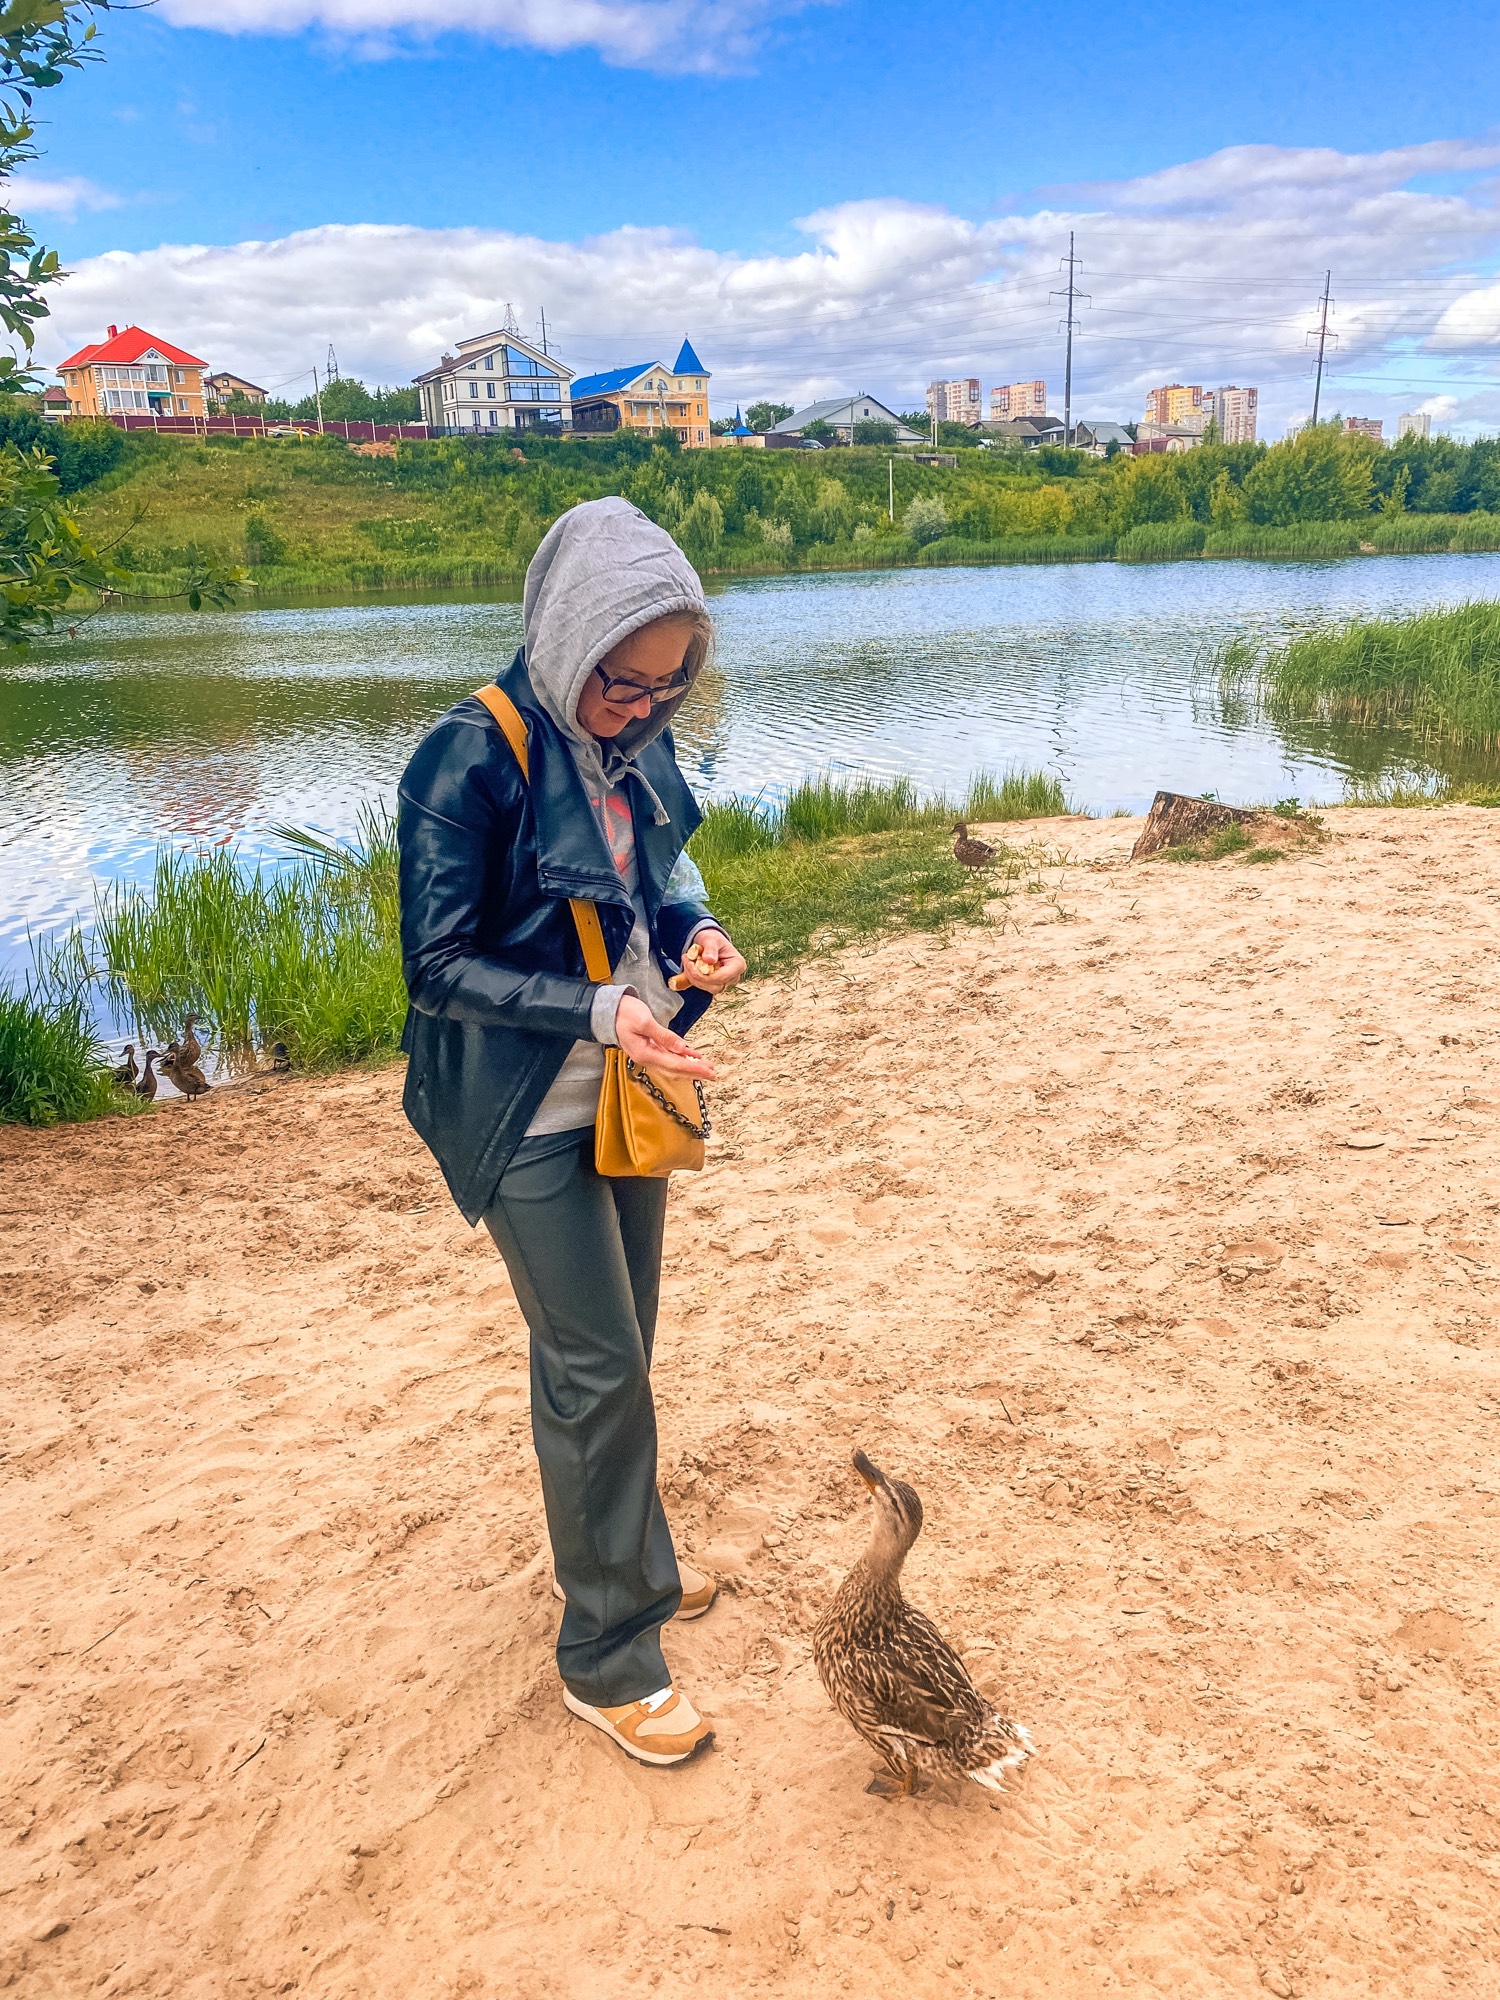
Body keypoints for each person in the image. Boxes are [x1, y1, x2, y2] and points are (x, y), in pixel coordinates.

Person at [397, 497, 746, 1769]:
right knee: (597, 1364)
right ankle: (609, 1652)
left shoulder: (640, 738)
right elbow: (435, 968)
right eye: (620, 680)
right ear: (563, 634)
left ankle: (619, 1551)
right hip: (520, 1108)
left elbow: (659, 872)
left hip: (630, 1085)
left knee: (617, 1351)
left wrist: (693, 930)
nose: (641, 709)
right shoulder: (463, 759)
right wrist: (601, 1003)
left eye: (665, 689)